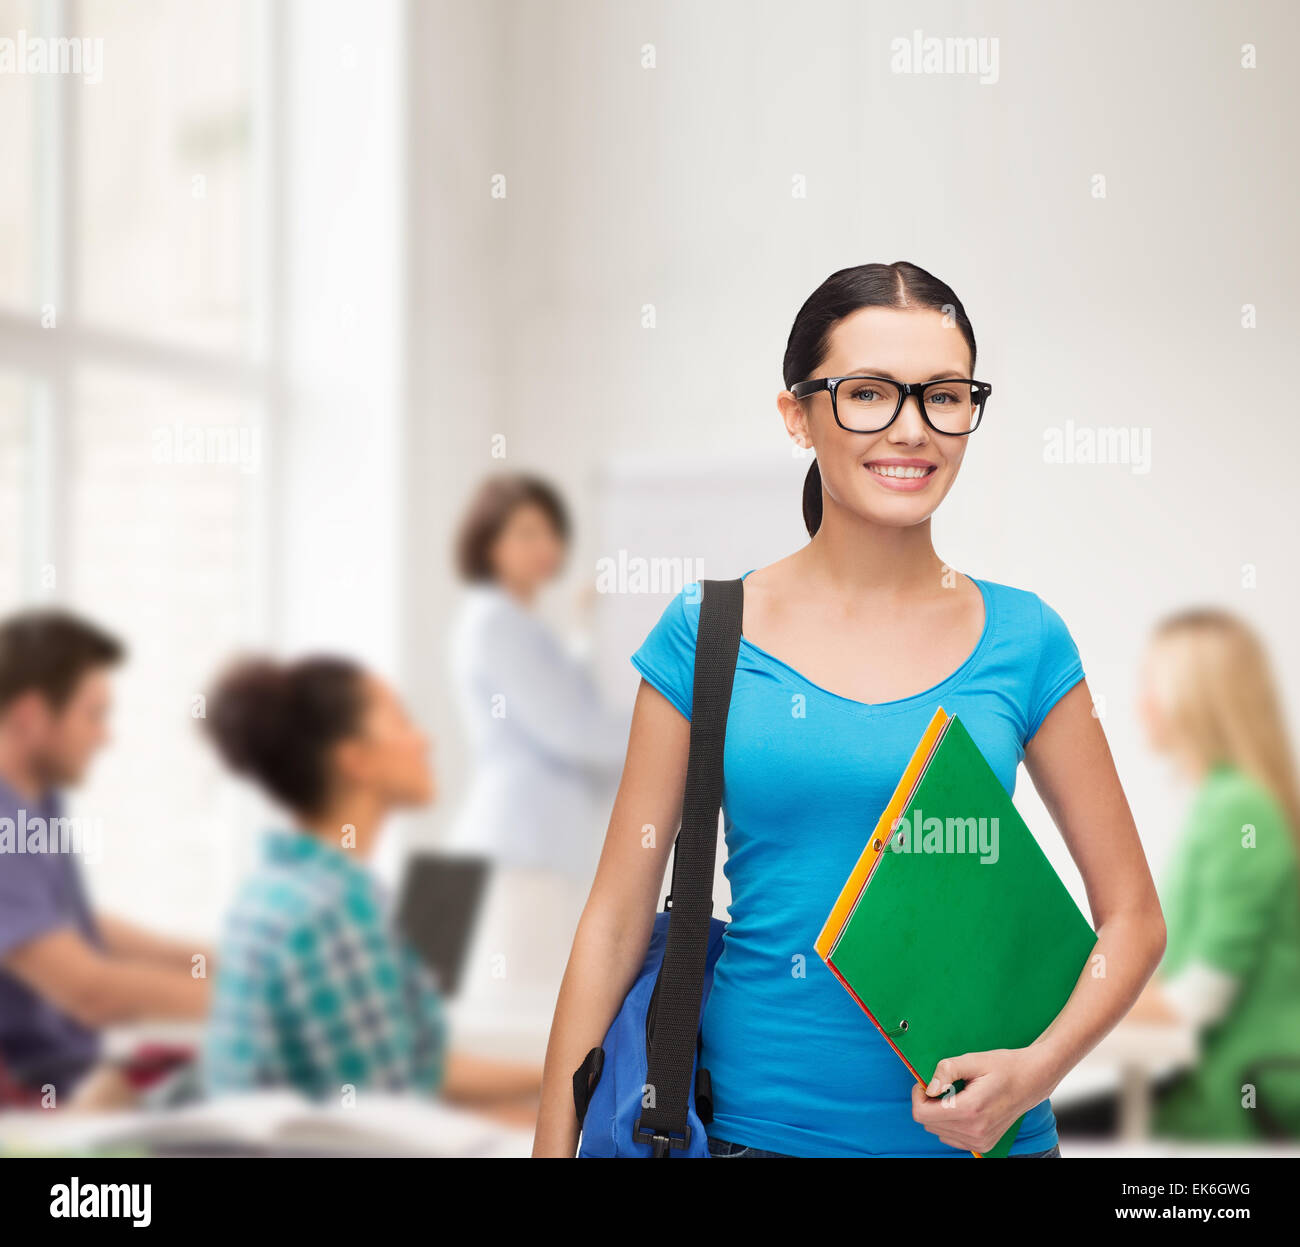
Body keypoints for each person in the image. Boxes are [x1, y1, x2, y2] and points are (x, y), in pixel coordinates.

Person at [535, 261, 1166, 1158]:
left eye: (944, 396)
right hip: (756, 1140)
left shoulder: (1027, 638)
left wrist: (1038, 1071)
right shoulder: (707, 632)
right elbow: (614, 918)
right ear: (798, 414)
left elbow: (1134, 917)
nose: (911, 429)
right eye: (868, 393)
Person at [200, 655, 541, 1118]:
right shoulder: (333, 912)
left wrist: (561, 1080)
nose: (424, 739)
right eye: (400, 721)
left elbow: (419, 1072)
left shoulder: (278, 889)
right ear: (355, 759)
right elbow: (393, 1122)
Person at [1098, 610, 1300, 1139]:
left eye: (1152, 685)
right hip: (1205, 1088)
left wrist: (1071, 1010)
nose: (1140, 704)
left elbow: (1198, 998)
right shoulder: (1223, 803)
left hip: (1243, 1101)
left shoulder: (1239, 810)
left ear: (1196, 700)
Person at [0, 610, 210, 1103]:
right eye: (93, 715)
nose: (104, 737)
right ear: (30, 716)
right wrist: (261, 1004)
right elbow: (91, 992)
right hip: (30, 1098)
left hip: (69, 1073)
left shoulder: (35, 803)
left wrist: (217, 960)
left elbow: (69, 927)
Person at [447, 473, 627, 879]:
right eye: (527, 533)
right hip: (517, 848)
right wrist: (674, 729)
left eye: (551, 531)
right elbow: (573, 729)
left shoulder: (516, 621)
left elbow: (570, 703)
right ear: (490, 544)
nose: (546, 545)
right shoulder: (495, 621)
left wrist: (584, 629)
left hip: (527, 845)